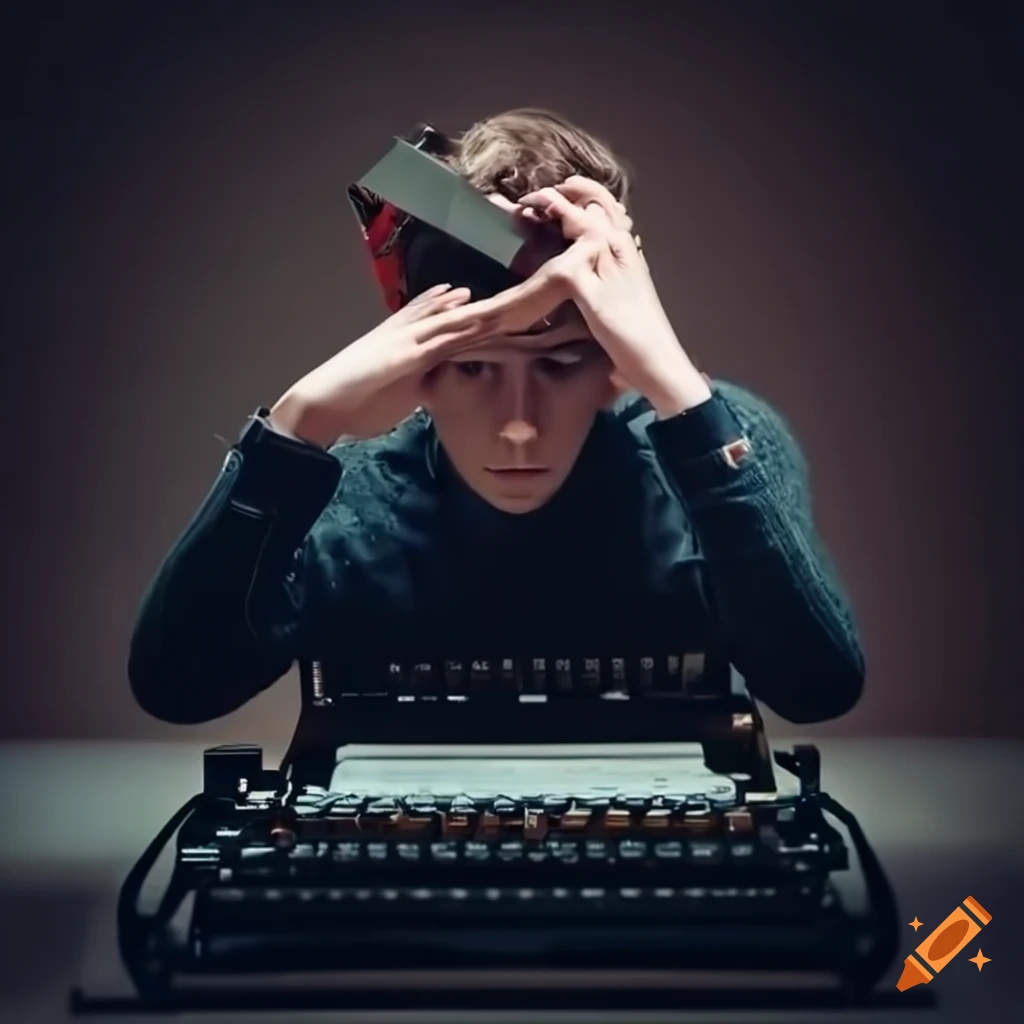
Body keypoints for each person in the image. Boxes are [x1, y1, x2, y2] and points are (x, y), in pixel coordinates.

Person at [127, 108, 865, 732]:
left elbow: (817, 686)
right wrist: (297, 426)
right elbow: (178, 689)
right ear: (413, 365)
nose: (518, 426)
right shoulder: (342, 493)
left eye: (560, 364)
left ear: (616, 362)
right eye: (475, 366)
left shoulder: (721, 438)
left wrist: (678, 388)